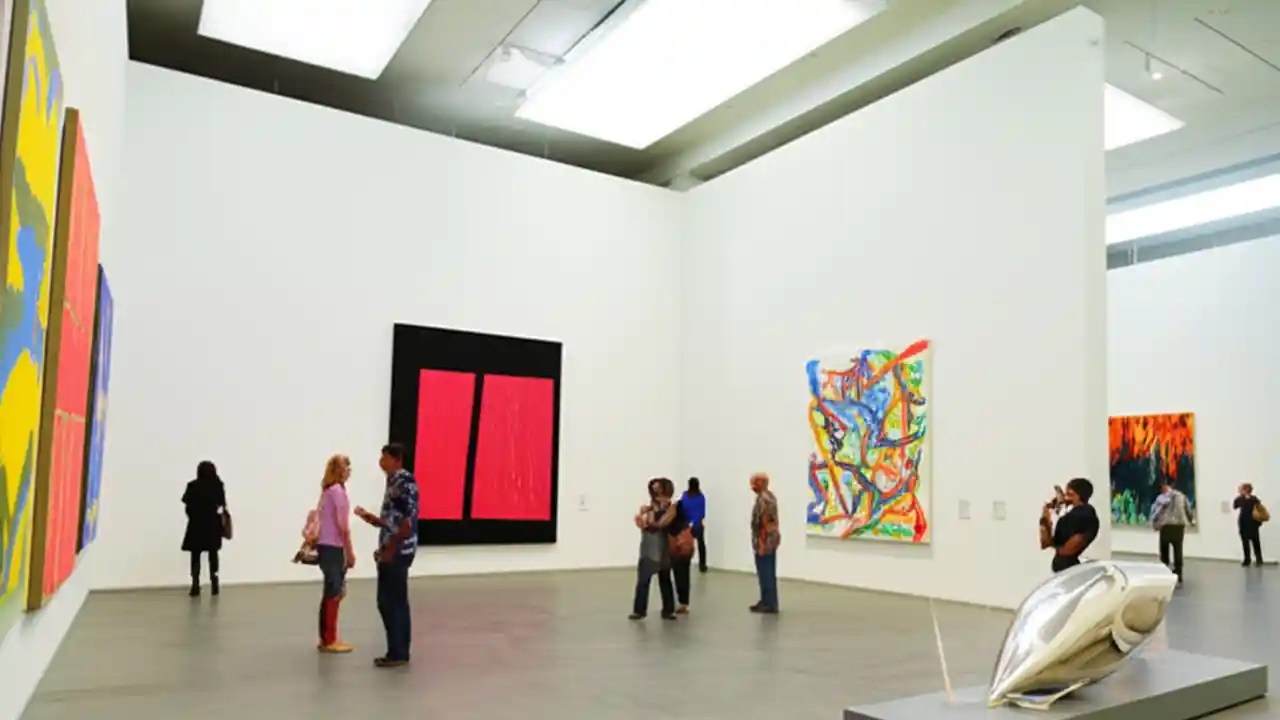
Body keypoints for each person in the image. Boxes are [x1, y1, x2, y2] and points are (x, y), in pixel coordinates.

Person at [355, 444, 419, 667]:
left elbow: (405, 523)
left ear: (397, 459)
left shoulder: (404, 482)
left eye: (385, 457)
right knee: (394, 600)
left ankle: (398, 652)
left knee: (390, 601)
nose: (380, 461)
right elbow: (392, 521)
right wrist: (371, 518)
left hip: (398, 551)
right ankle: (398, 650)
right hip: (392, 549)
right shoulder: (393, 481)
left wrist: (390, 550)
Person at [317, 454, 356, 653]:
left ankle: (326, 637)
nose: (349, 470)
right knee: (335, 592)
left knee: (330, 592)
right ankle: (330, 639)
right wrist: (349, 552)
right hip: (334, 547)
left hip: (325, 546)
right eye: (346, 467)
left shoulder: (327, 491)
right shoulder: (337, 492)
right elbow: (343, 527)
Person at [630, 478, 677, 620]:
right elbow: (644, 524)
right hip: (648, 548)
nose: (657, 494)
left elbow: (662, 523)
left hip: (663, 548)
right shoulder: (649, 508)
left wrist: (651, 519)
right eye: (654, 490)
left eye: (659, 490)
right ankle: (639, 610)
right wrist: (642, 519)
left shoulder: (671, 507)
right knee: (643, 580)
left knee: (665, 580)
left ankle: (668, 610)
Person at [182, 461, 227, 597]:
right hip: (213, 525)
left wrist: (193, 516)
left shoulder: (193, 486)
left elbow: (187, 506)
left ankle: (195, 583)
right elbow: (221, 505)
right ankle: (214, 582)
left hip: (196, 524)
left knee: (195, 555)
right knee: (213, 554)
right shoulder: (218, 485)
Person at [1039, 478, 1100, 573]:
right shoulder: (1084, 514)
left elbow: (1059, 547)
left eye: (1070, 494)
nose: (1067, 498)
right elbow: (1047, 542)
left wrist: (1050, 514)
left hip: (1066, 566)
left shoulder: (1082, 514)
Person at [749, 472, 780, 614]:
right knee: (770, 570)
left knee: (765, 571)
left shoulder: (763, 500)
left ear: (761, 483)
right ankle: (769, 600)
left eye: (754, 483)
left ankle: (768, 603)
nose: (752, 486)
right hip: (771, 539)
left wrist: (761, 543)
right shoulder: (771, 497)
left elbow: (764, 521)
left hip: (764, 540)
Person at [1150, 481, 1193, 582]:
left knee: (1164, 549)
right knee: (1178, 550)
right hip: (1179, 526)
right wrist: (1190, 520)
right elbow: (1188, 510)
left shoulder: (1162, 498)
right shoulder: (1182, 496)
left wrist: (1155, 524)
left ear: (1164, 488)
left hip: (1166, 526)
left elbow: (1156, 511)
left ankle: (1164, 571)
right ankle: (1179, 573)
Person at [666, 480, 694, 613]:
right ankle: (681, 602)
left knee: (681, 573)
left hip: (679, 545)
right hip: (678, 543)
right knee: (680, 574)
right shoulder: (676, 508)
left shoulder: (677, 508)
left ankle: (682, 602)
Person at [1233, 484, 1265, 567]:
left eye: (1241, 489)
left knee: (1255, 542)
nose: (1240, 491)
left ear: (1246, 490)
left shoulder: (1254, 499)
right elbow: (1235, 505)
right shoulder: (1240, 499)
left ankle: (1259, 559)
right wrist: (1241, 497)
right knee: (1245, 542)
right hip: (1244, 523)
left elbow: (1259, 508)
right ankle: (1247, 559)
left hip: (1253, 523)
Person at [681, 477, 707, 572]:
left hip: (686, 524)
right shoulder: (701, 497)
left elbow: (682, 509)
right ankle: (702, 565)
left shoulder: (685, 495)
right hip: (697, 524)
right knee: (701, 545)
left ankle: (685, 563)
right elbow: (702, 512)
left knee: (685, 545)